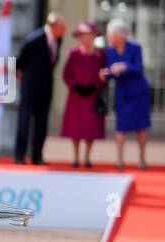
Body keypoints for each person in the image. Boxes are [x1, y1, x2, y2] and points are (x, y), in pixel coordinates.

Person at [13, 12, 66, 165]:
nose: (64, 31)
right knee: (25, 121)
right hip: (30, 88)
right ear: (53, 27)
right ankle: (20, 156)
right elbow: (18, 60)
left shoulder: (58, 39)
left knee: (41, 124)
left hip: (46, 87)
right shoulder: (34, 40)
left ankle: (37, 156)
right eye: (62, 27)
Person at [101, 18, 152, 171]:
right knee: (121, 127)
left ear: (121, 35)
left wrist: (124, 66)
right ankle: (120, 161)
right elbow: (110, 72)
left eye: (111, 35)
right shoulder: (109, 52)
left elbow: (139, 67)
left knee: (141, 128)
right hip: (123, 94)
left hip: (139, 92)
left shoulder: (135, 48)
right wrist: (105, 73)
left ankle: (142, 159)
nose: (109, 38)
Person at [59, 21, 106, 168]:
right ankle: (75, 157)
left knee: (90, 128)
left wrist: (96, 86)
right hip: (76, 96)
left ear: (93, 37)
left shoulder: (100, 55)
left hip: (92, 96)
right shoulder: (74, 53)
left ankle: (87, 157)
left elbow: (103, 75)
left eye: (88, 36)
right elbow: (67, 74)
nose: (85, 39)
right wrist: (75, 85)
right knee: (76, 127)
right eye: (83, 36)